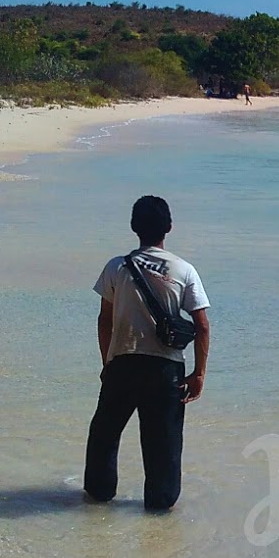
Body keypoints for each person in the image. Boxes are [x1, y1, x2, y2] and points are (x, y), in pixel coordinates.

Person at [83, 196, 211, 511]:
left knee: (104, 435)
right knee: (163, 444)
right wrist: (198, 374)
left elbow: (105, 320)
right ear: (168, 228)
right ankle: (159, 507)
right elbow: (203, 326)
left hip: (123, 364)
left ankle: (99, 497)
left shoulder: (116, 267)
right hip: (166, 370)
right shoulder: (183, 269)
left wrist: (107, 363)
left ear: (133, 227)